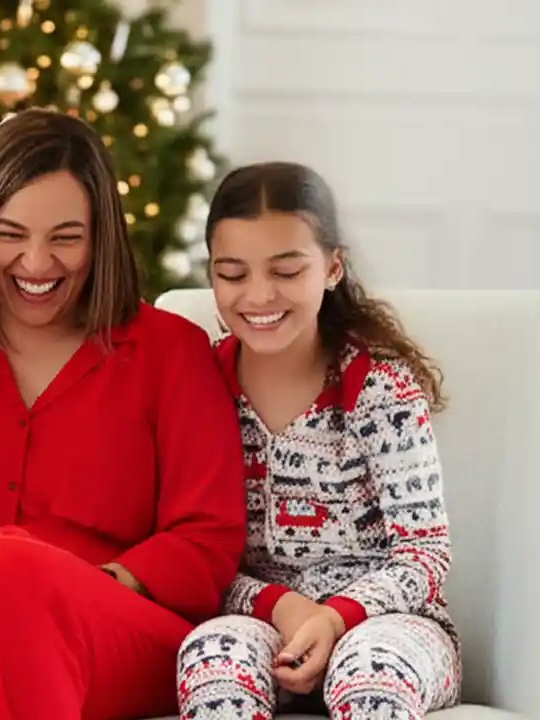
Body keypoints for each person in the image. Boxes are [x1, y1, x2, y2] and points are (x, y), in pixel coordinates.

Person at [0, 108, 247, 719]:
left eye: (65, 238)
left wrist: (78, 585)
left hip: (124, 630)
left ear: (100, 238)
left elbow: (208, 538)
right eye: (10, 235)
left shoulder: (171, 350)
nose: (37, 263)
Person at [176, 162, 460, 718]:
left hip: (386, 624)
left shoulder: (381, 390)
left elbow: (424, 552)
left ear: (332, 268)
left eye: (286, 271)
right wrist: (281, 606)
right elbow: (189, 549)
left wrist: (336, 617)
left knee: (372, 677)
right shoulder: (196, 386)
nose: (259, 294)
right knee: (212, 662)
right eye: (232, 274)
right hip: (258, 621)